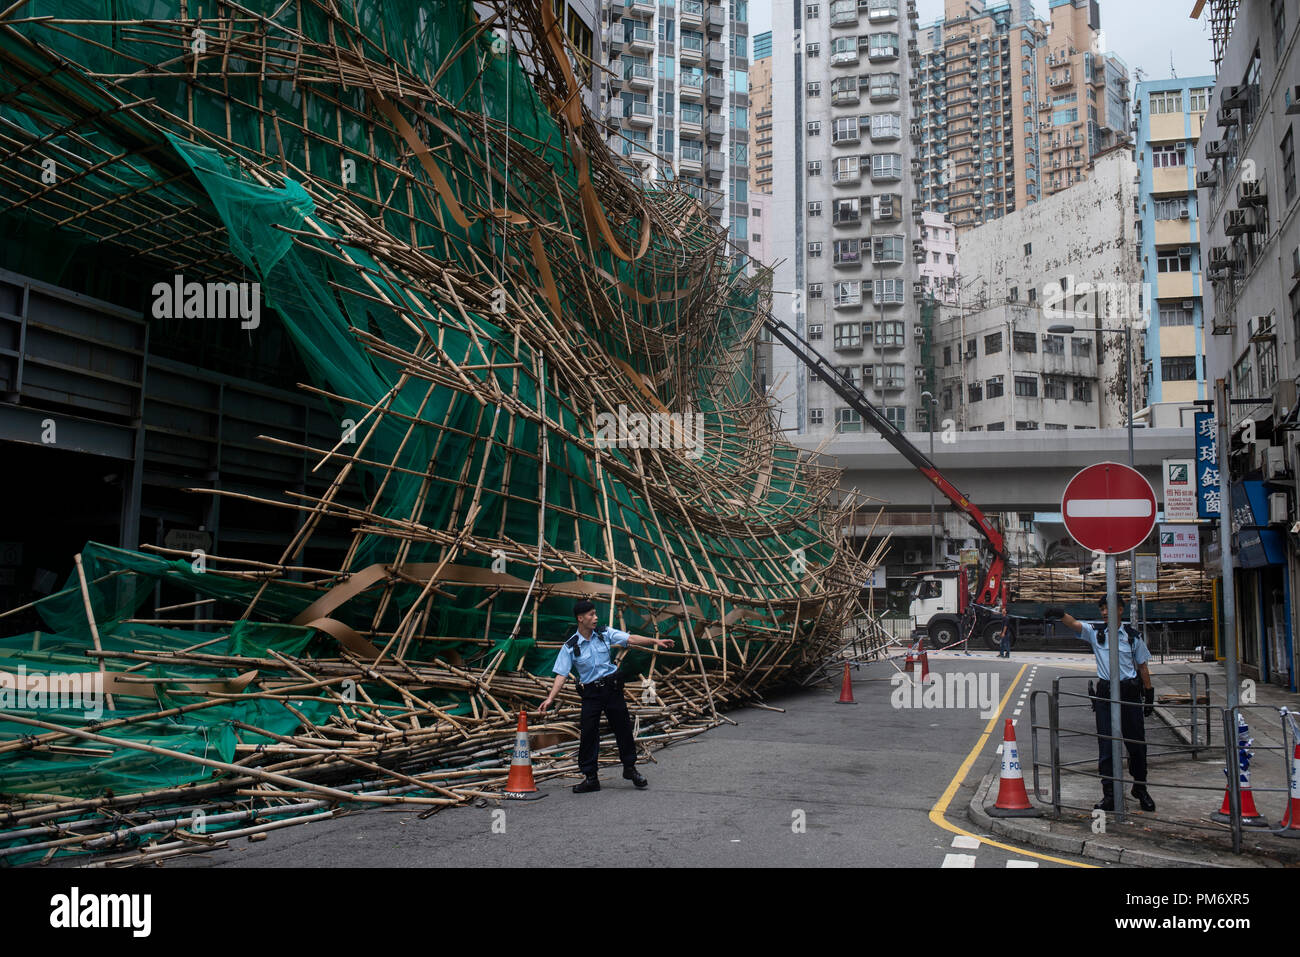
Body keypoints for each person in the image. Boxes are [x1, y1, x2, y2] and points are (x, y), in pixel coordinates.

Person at [539, 599, 674, 793]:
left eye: (595, 614)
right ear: (580, 618)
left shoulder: (604, 634)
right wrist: (551, 698)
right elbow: (561, 674)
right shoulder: (571, 646)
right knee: (588, 734)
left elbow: (630, 639)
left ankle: (630, 769)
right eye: (591, 615)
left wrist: (655, 641)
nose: (595, 617)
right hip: (591, 693)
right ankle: (591, 777)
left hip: (612, 689)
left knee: (623, 729)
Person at [1045, 597, 1157, 812]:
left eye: (1109, 608)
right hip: (1105, 695)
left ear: (1121, 610)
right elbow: (1075, 624)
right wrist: (1059, 613)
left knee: (1136, 745)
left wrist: (1149, 694)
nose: (1105, 613)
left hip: (1129, 695)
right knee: (1106, 747)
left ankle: (1140, 789)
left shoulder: (1133, 637)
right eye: (1102, 609)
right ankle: (1109, 795)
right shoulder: (1097, 634)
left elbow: (1142, 666)